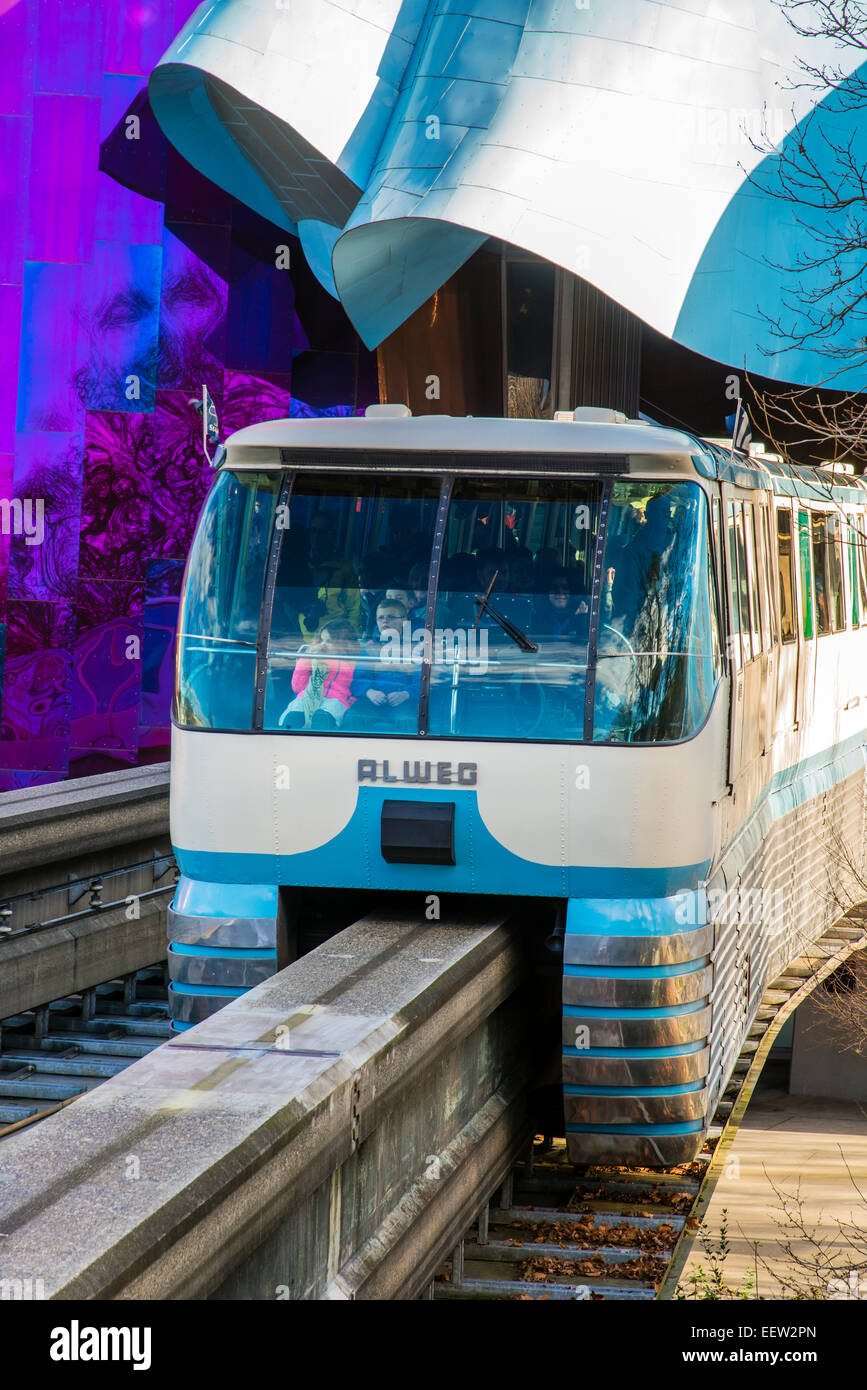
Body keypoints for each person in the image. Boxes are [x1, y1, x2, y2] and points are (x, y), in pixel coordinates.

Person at [347, 598, 419, 731]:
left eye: (391, 617)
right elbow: (358, 679)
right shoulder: (369, 648)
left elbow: (423, 680)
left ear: (404, 621)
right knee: (353, 717)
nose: (385, 621)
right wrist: (368, 691)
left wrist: (407, 693)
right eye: (380, 618)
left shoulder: (416, 648)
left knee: (410, 721)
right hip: (372, 700)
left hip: (404, 701)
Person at [278, 619, 358, 730]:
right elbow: (297, 687)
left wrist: (323, 660)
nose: (323, 645)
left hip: (336, 699)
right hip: (307, 696)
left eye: (329, 642)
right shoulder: (311, 660)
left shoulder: (352, 662)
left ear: (344, 644)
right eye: (321, 641)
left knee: (329, 712)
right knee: (296, 710)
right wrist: (307, 658)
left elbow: (354, 683)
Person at [534, 568, 590, 641]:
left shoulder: (584, 616)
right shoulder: (537, 616)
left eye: (565, 588)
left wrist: (581, 619)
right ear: (547, 592)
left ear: (572, 591)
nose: (560, 592)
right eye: (555, 588)